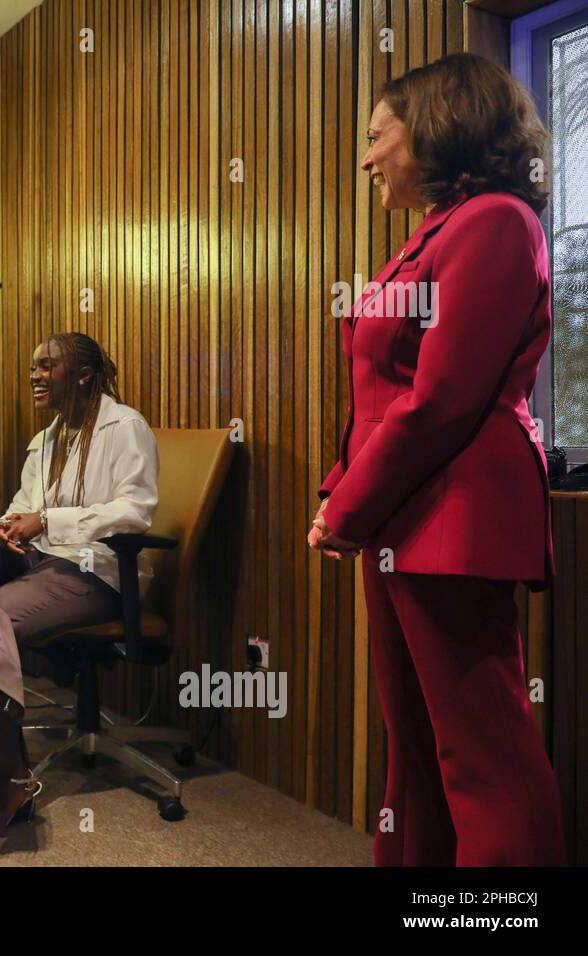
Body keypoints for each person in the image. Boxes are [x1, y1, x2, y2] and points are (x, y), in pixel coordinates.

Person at [308, 52, 565, 866]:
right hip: (404, 516)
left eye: (378, 134)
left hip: (453, 521)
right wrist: (342, 494)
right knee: (417, 743)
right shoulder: (432, 236)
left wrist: (347, 508)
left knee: (482, 755)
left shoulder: (497, 221)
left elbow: (443, 400)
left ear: (435, 127)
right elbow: (382, 396)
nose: (367, 156)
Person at [0, 332, 158, 836]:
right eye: (33, 366)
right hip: (37, 560)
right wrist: (8, 527)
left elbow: (134, 512)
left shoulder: (125, 427)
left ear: (83, 375)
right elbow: (24, 505)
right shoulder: (49, 438)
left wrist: (47, 522)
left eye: (47, 366)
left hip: (96, 571)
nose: (34, 375)